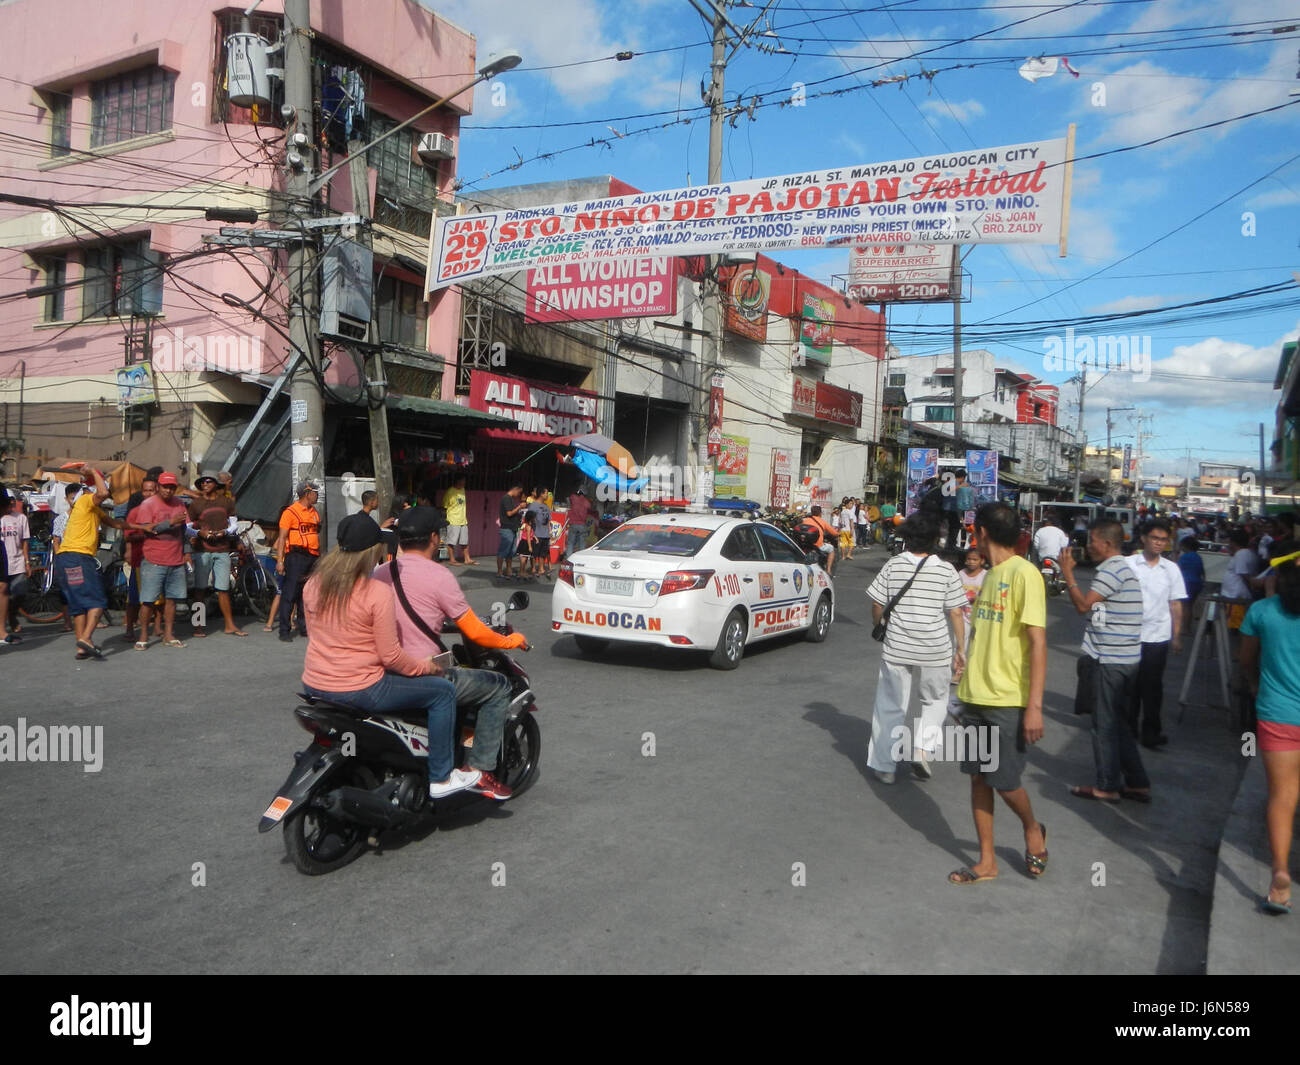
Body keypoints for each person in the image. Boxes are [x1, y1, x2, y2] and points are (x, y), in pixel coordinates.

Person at [300, 515, 478, 800]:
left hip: (314, 684)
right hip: (360, 689)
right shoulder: (376, 592)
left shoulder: (314, 583)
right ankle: (442, 777)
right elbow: (391, 656)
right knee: (443, 692)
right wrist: (426, 667)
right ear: (374, 551)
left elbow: (316, 635)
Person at [373, 506, 527, 800]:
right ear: (434, 538)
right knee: (498, 686)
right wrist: (513, 640)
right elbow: (475, 632)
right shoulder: (439, 576)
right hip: (422, 673)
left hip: (384, 673)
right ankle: (480, 771)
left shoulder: (380, 572)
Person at [949, 502, 1048, 885]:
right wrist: (964, 667)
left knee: (1004, 780)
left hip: (1007, 700)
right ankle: (986, 860)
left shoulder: (1026, 575)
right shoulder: (990, 576)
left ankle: (1032, 827)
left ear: (982, 533)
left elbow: (1038, 643)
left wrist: (1035, 706)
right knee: (978, 778)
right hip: (975, 695)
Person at [865, 513, 967, 783]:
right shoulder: (947, 570)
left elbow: (877, 604)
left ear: (907, 537)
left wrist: (880, 627)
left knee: (891, 704)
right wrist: (961, 649)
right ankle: (922, 749)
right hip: (935, 648)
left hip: (897, 645)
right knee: (935, 700)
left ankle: (885, 767)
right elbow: (956, 612)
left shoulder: (894, 564)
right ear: (936, 540)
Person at [1060, 520, 1149, 803]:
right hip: (1124, 658)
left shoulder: (1112, 570)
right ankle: (1137, 782)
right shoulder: (1121, 569)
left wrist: (1068, 575)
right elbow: (1097, 611)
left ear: (1107, 544)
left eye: (1092, 540)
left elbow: (1083, 605)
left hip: (1112, 660)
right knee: (1118, 723)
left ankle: (1107, 785)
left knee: (1105, 724)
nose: (1088, 545)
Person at [1238, 550, 1300, 914]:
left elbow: (1246, 660)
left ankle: (1279, 874)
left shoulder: (1262, 612)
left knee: (1282, 797)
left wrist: (1254, 684)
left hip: (1277, 714)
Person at [1126, 519, 1187, 750]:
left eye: (1163, 539)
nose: (1159, 543)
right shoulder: (1128, 564)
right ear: (1144, 538)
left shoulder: (1171, 569)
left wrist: (1177, 635)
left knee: (1152, 688)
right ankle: (1128, 728)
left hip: (1157, 637)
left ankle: (1151, 732)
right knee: (1129, 686)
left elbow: (1176, 604)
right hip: (1130, 635)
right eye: (1155, 538)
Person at [54, 466, 124, 660]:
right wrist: (94, 470)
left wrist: (144, 526)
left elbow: (117, 524)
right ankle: (85, 638)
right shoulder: (86, 500)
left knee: (79, 605)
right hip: (79, 557)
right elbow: (102, 492)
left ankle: (81, 648)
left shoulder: (90, 508)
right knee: (99, 601)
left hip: (66, 559)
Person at [126, 472, 192, 649]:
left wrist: (187, 553)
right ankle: (143, 636)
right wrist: (170, 522)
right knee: (148, 600)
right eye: (165, 486)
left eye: (171, 487)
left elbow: (184, 531)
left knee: (172, 599)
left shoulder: (180, 504)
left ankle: (169, 634)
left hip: (176, 558)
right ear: (158, 487)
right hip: (154, 558)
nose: (168, 490)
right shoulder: (148, 504)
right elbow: (147, 530)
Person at [187, 474, 246, 638]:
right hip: (202, 551)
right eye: (202, 482)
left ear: (215, 484)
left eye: (208, 481)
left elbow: (234, 524)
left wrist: (224, 532)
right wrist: (200, 533)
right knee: (200, 589)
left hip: (222, 549)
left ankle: (229, 625)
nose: (205, 484)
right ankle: (198, 625)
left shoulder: (226, 502)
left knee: (223, 589)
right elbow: (187, 527)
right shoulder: (196, 504)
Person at [275, 482, 322, 642]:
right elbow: (282, 538)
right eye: (315, 492)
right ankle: (284, 630)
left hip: (312, 557)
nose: (317, 495)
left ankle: (304, 627)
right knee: (290, 593)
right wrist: (280, 561)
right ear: (307, 493)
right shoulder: (290, 512)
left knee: (306, 593)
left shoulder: (314, 512)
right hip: (296, 557)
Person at [1, 493, 31, 639]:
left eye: (13, 502)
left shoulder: (21, 518)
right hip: (3, 562)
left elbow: (25, 541)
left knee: (19, 592)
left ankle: (11, 615)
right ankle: (6, 624)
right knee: (3, 593)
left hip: (17, 561)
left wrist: (27, 561)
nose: (11, 505)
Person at [440, 476, 475, 566]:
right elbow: (444, 506)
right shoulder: (450, 492)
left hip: (463, 520)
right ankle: (452, 559)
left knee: (465, 541)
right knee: (451, 541)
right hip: (453, 520)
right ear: (457, 482)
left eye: (464, 482)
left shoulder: (462, 489)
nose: (463, 484)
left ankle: (467, 559)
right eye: (462, 482)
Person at [1177, 537, 1205, 639]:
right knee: (1190, 606)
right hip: (1197, 583)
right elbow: (1202, 571)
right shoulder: (1198, 556)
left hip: (1187, 583)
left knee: (1185, 606)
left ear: (1185, 546)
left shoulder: (1185, 557)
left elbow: (1177, 568)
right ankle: (1187, 627)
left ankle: (1186, 628)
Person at [497, 483, 526, 580]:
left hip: (513, 528)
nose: (519, 495)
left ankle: (509, 571)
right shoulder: (506, 498)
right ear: (515, 489)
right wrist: (519, 507)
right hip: (507, 529)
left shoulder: (510, 499)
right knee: (503, 551)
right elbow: (509, 513)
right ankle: (500, 572)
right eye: (519, 492)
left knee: (511, 551)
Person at [525, 486, 552, 579]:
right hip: (536, 533)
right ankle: (533, 568)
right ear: (541, 494)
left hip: (545, 534)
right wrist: (532, 533)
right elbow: (528, 520)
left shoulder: (546, 507)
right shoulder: (533, 506)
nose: (547, 495)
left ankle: (541, 568)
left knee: (543, 553)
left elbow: (549, 521)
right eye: (546, 493)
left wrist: (550, 532)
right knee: (534, 553)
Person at [566, 487, 592, 555]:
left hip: (573, 524)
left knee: (570, 543)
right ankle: (580, 558)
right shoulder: (587, 502)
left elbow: (569, 498)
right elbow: (589, 507)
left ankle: (569, 559)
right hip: (582, 525)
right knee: (582, 543)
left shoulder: (573, 497)